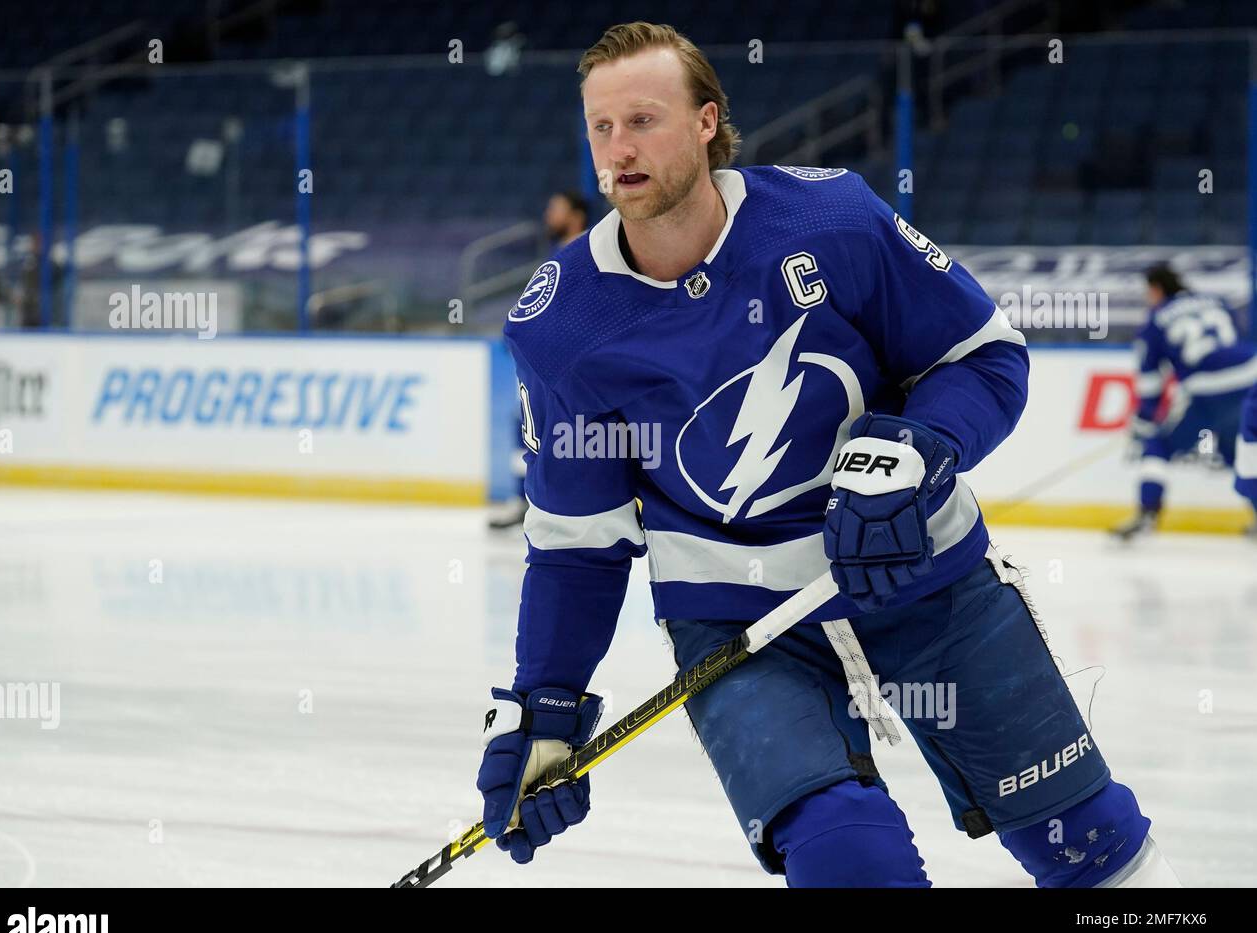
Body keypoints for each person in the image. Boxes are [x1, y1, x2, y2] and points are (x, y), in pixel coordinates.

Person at [477, 21, 1180, 887]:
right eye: (601, 127)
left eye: (644, 121)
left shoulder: (832, 219)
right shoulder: (562, 325)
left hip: (922, 577)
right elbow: (579, 547)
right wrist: (545, 703)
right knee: (847, 857)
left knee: (1085, 840)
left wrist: (918, 449)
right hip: (740, 628)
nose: (619, 149)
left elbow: (985, 358)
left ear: (706, 122)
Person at [1111, 263, 1257, 540]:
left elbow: (1150, 380)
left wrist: (1144, 420)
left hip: (1207, 391)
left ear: (1155, 289)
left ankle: (1147, 514)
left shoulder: (1156, 320)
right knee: (1242, 453)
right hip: (1252, 377)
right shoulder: (1216, 302)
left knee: (1158, 445)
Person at [488, 190, 591, 530]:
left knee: (552, 431)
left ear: (575, 215)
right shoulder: (561, 252)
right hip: (554, 366)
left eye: (556, 209)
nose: (549, 214)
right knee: (528, 428)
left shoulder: (584, 253)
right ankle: (530, 502)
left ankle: (547, 504)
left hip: (572, 368)